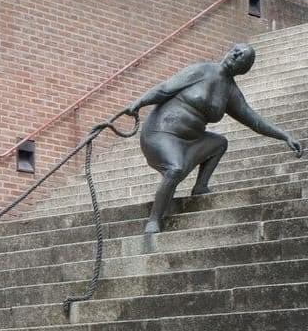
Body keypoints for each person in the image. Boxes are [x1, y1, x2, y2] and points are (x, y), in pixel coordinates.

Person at [126, 43, 302, 240]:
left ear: (243, 69)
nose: (235, 55)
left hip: (190, 140)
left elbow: (254, 120)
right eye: (236, 50)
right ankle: (154, 219)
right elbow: (165, 89)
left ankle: (200, 187)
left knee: (219, 143)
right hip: (160, 133)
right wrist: (140, 102)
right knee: (175, 169)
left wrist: (285, 135)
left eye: (241, 57)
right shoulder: (202, 69)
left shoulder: (230, 92)